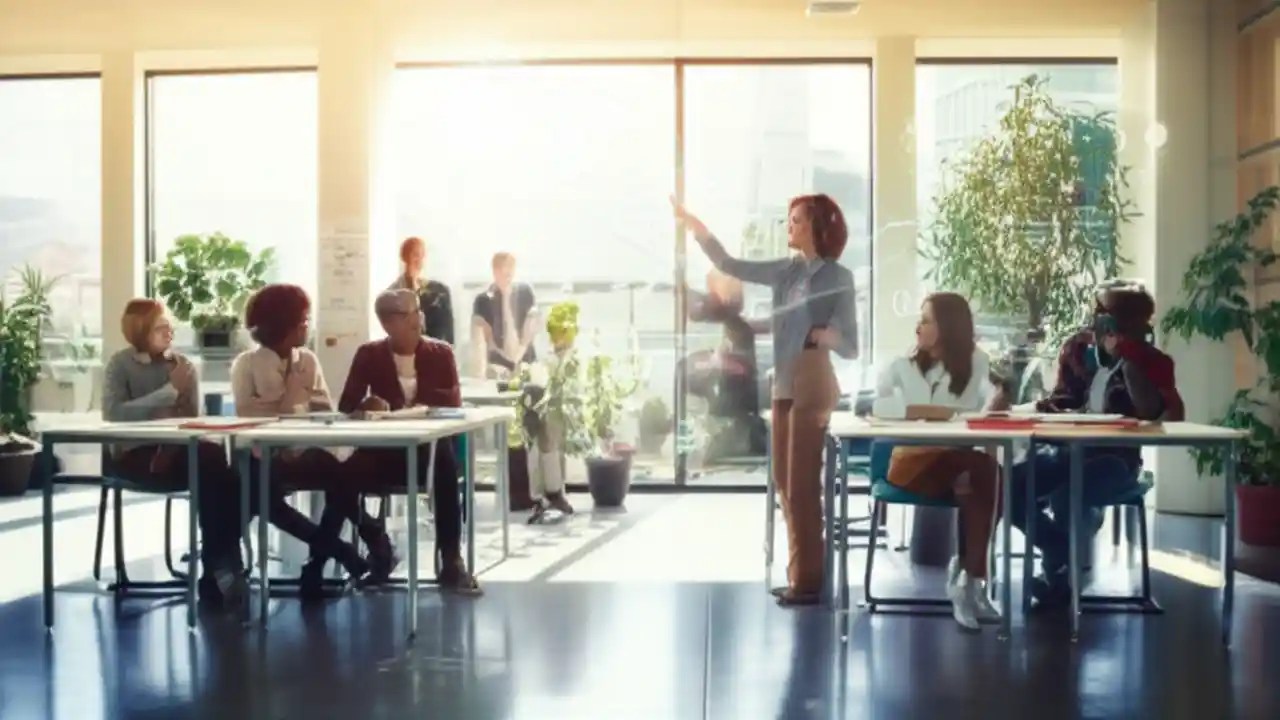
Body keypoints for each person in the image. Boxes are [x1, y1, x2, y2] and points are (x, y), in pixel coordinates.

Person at [673, 193, 859, 606]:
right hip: (784, 384)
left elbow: (852, 346)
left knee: (803, 486)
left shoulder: (838, 277)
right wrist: (696, 227)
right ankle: (803, 575)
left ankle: (808, 582)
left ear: (816, 227)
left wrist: (829, 335)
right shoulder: (784, 272)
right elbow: (729, 264)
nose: (788, 227)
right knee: (786, 486)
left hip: (813, 379)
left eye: (795, 220)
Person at [1010, 281, 1185, 607]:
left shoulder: (1153, 362)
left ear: (1132, 322)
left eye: (1105, 314)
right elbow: (1062, 399)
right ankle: (1056, 548)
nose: (1095, 320)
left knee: (1066, 494)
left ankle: (1060, 579)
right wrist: (1040, 413)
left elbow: (1163, 414)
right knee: (1009, 485)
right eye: (1097, 312)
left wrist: (1130, 363)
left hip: (1115, 461)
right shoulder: (1078, 349)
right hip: (1066, 450)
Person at [230, 284, 394, 599]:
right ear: (283, 325)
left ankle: (318, 564)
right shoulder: (246, 365)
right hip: (259, 455)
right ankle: (350, 547)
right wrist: (293, 391)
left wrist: (293, 411)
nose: (308, 325)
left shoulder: (308, 360)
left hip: (306, 450)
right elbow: (253, 417)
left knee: (342, 473)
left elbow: (322, 413)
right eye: (303, 320)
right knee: (260, 494)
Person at [101, 299, 247, 608]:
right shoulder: (120, 364)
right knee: (219, 472)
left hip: (178, 452)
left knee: (219, 471)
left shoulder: (183, 366)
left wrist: (165, 420)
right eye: (161, 327)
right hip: (133, 455)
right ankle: (221, 566)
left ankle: (217, 564)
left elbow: (190, 417)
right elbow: (113, 413)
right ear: (140, 331)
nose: (169, 333)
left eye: (170, 327)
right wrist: (165, 394)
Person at [337, 289, 481, 595]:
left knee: (441, 456)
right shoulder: (369, 353)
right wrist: (367, 405)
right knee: (341, 474)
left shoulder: (441, 353)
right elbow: (347, 405)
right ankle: (377, 544)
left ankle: (451, 559)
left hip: (428, 452)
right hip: (385, 452)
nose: (419, 319)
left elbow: (453, 403)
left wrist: (419, 409)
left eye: (419, 311)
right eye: (409, 314)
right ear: (387, 323)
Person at [875, 293, 1002, 630]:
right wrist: (923, 413)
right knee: (984, 474)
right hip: (911, 463)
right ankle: (971, 583)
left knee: (984, 475)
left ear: (948, 327)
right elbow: (872, 406)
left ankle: (967, 581)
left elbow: (979, 413)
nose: (918, 326)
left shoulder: (977, 362)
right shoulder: (902, 366)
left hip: (959, 463)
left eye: (927, 319)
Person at [471, 252, 537, 377]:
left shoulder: (525, 293)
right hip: (497, 367)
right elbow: (481, 341)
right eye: (500, 268)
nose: (505, 272)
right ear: (494, 271)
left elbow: (528, 333)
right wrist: (480, 374)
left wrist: (515, 362)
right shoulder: (483, 300)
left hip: (525, 363)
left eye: (509, 267)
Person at [389, 236, 454, 345]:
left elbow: (448, 333)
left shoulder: (440, 291)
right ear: (405, 258)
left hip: (435, 350)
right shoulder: (393, 294)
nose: (419, 259)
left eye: (422, 255)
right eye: (415, 255)